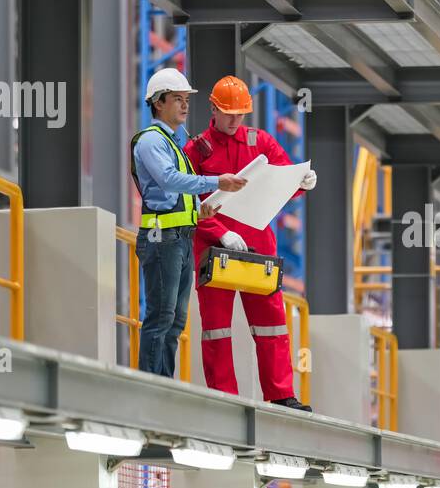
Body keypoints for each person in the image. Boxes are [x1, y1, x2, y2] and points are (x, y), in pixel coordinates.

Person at [184, 76, 316, 411]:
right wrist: (220, 232)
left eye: (240, 114)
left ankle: (281, 394)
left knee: (272, 323)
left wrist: (302, 182)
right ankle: (225, 399)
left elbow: (285, 181)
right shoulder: (195, 150)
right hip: (214, 249)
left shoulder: (262, 143)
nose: (235, 120)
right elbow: (186, 204)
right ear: (213, 108)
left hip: (258, 248)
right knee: (217, 328)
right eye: (229, 113)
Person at [131, 67, 246, 378]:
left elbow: (178, 191)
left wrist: (200, 210)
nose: (184, 105)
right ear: (158, 103)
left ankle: (164, 382)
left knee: (176, 320)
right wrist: (216, 180)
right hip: (162, 238)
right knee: (161, 315)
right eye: (177, 99)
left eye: (186, 100)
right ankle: (151, 383)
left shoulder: (173, 144)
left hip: (181, 237)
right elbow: (169, 180)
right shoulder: (151, 141)